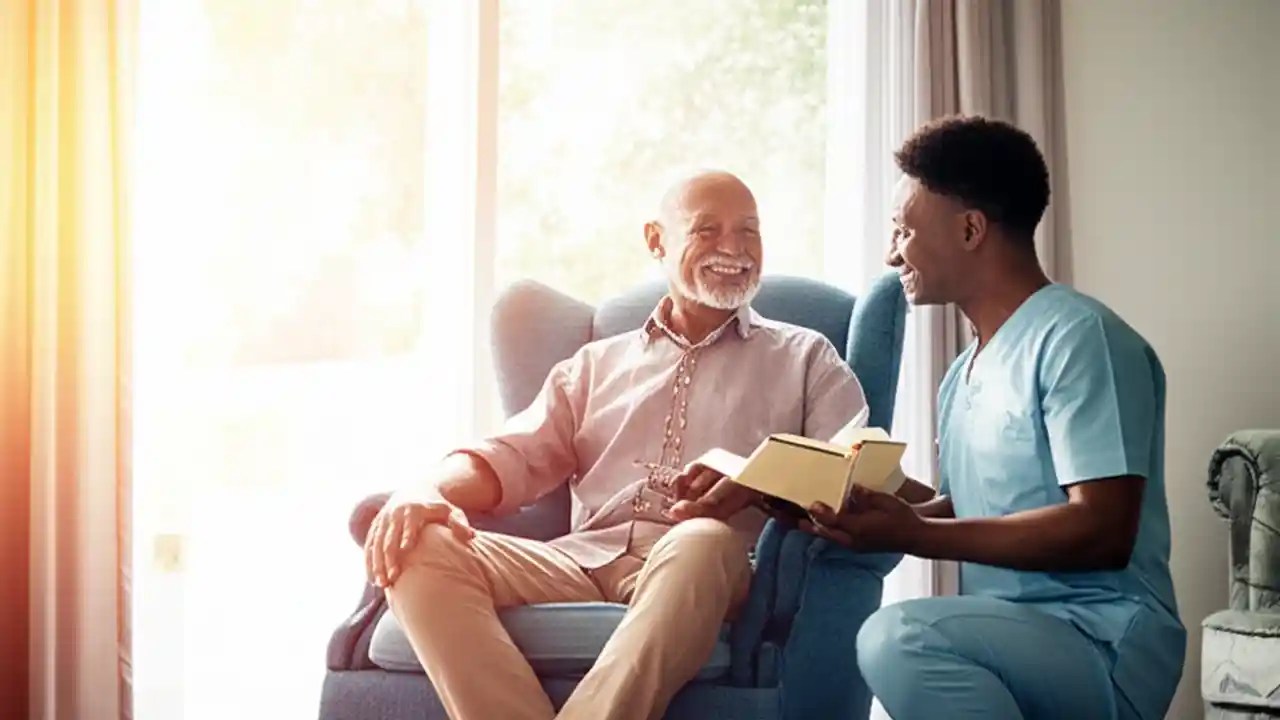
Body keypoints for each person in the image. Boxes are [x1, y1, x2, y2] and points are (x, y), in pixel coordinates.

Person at [365, 170, 924, 720]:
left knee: (701, 539)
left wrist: (753, 483)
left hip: (704, 567)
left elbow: (852, 475)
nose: (733, 248)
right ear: (656, 240)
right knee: (415, 544)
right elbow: (507, 458)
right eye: (707, 230)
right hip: (577, 562)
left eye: (749, 231)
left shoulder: (808, 358)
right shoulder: (593, 365)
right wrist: (423, 490)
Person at [803, 116, 1186, 720]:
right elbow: (967, 507)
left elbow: (1103, 530)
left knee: (899, 637)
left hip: (1102, 640)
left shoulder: (1081, 338)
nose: (890, 252)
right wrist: (870, 500)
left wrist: (914, 533)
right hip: (1008, 637)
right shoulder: (962, 373)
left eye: (904, 230)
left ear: (971, 229)